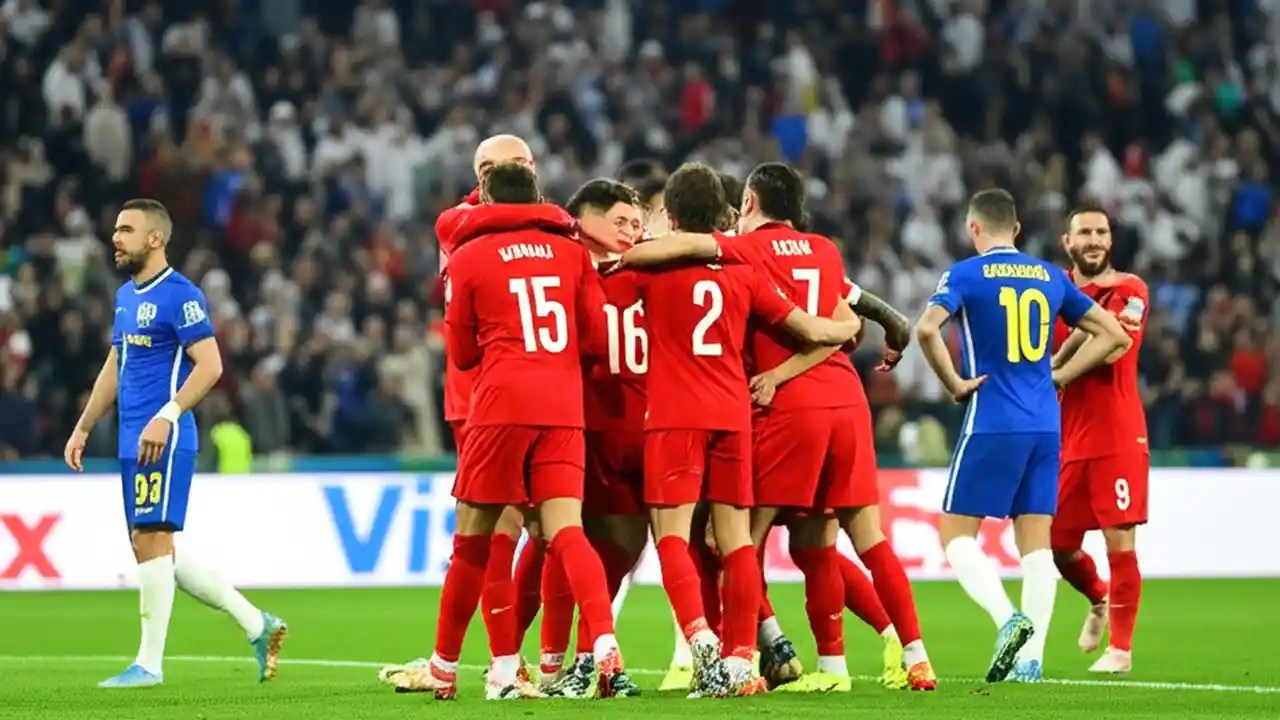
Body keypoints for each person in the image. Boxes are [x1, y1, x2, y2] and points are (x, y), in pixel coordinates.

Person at [613, 162, 935, 692]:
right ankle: (890, 654)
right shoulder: (812, 252)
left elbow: (646, 265)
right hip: (823, 404)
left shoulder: (724, 255)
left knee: (719, 539)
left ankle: (726, 646)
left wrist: (779, 372)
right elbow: (828, 324)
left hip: (764, 408)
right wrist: (873, 323)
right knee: (826, 541)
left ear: (749, 204)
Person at [63, 199, 286, 688]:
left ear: (155, 239)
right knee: (157, 548)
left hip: (162, 437)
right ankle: (257, 624)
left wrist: (167, 416)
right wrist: (82, 426)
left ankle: (149, 664)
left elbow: (211, 365)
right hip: (131, 438)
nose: (116, 238)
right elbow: (114, 365)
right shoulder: (125, 297)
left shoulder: (181, 295)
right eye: (115, 229)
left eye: (126, 230)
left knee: (151, 541)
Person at [913, 189, 1132, 683]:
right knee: (1035, 544)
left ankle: (1006, 619)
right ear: (1015, 229)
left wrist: (954, 385)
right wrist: (1059, 376)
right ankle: (1030, 661)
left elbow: (926, 330)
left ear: (974, 229)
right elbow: (1115, 335)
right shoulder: (1051, 276)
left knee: (955, 534)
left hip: (991, 418)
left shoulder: (965, 274)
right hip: (1045, 424)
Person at [444, 163, 639, 700]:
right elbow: (596, 337)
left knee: (487, 539)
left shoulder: (467, 253)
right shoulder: (570, 251)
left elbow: (461, 355)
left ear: (484, 197)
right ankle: (601, 642)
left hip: (500, 405)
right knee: (567, 532)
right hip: (565, 405)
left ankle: (495, 667)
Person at [381, 135, 544, 695]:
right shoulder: (459, 221)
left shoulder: (547, 230)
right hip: (480, 396)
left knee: (545, 529)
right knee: (498, 529)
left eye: (522, 165)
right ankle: (502, 663)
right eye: (500, 168)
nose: (514, 175)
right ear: (479, 178)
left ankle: (513, 660)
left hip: (542, 394)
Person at [540, 178, 649, 698]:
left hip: (643, 429)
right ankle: (541, 661)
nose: (632, 231)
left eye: (637, 222)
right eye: (620, 221)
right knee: (551, 543)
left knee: (622, 548)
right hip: (580, 427)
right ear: (583, 220)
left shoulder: (647, 271)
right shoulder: (562, 268)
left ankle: (580, 658)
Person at [1049, 204, 1149, 674]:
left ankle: (1121, 651)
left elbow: (1111, 344)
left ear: (1111, 240)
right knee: (1057, 543)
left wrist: (1056, 375)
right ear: (1067, 242)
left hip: (1116, 434)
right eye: (1084, 232)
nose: (1093, 239)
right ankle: (1099, 599)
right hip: (1067, 439)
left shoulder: (1130, 290)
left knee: (1119, 541)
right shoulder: (1051, 293)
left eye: (1101, 232)